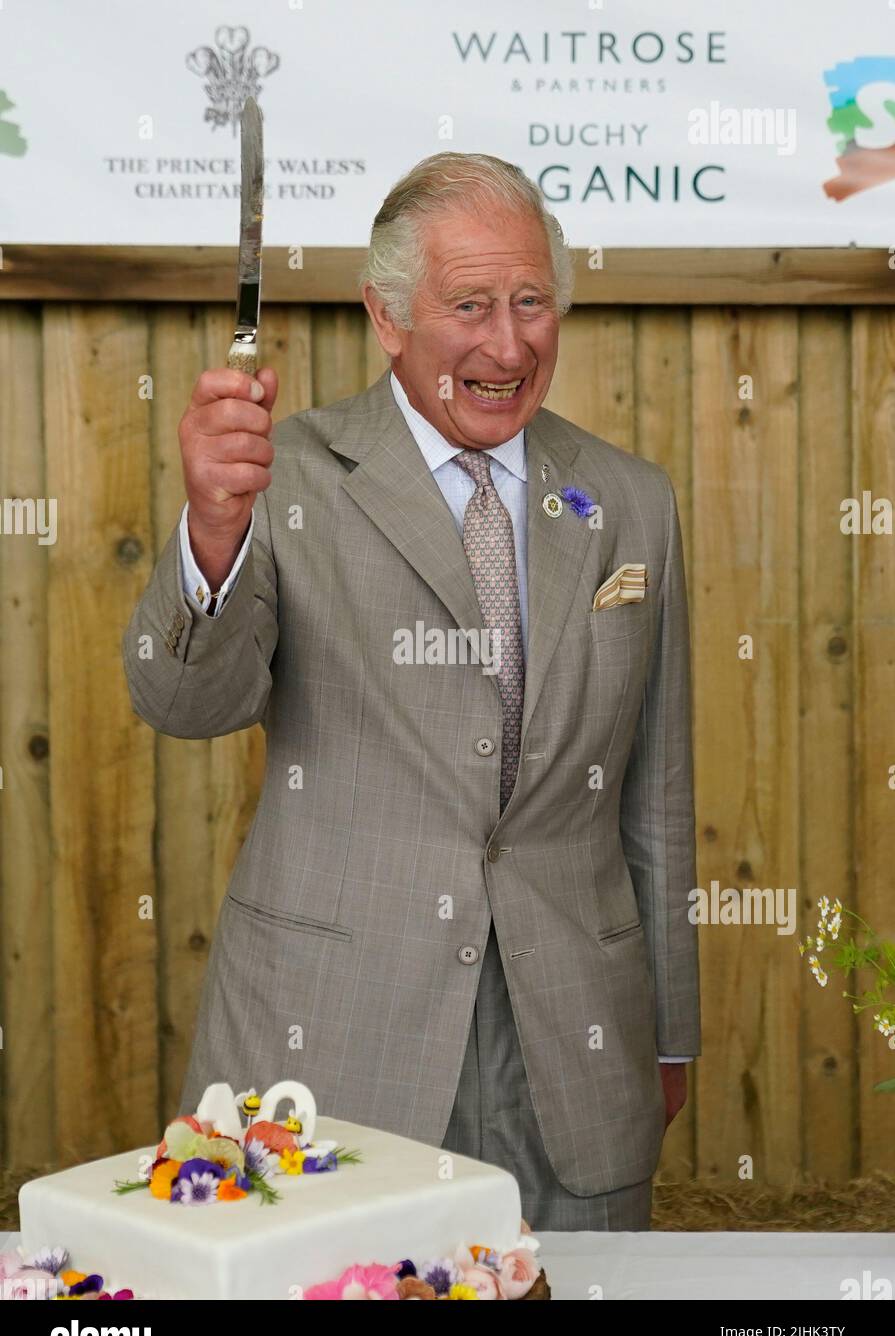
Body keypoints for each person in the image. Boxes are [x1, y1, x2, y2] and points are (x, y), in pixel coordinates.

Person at [122, 152, 699, 1232]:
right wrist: (211, 532)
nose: (509, 342)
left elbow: (655, 798)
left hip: (572, 1056)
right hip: (330, 1050)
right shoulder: (282, 474)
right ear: (387, 319)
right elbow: (183, 703)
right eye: (471, 305)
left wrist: (664, 1033)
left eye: (532, 302)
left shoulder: (630, 500)